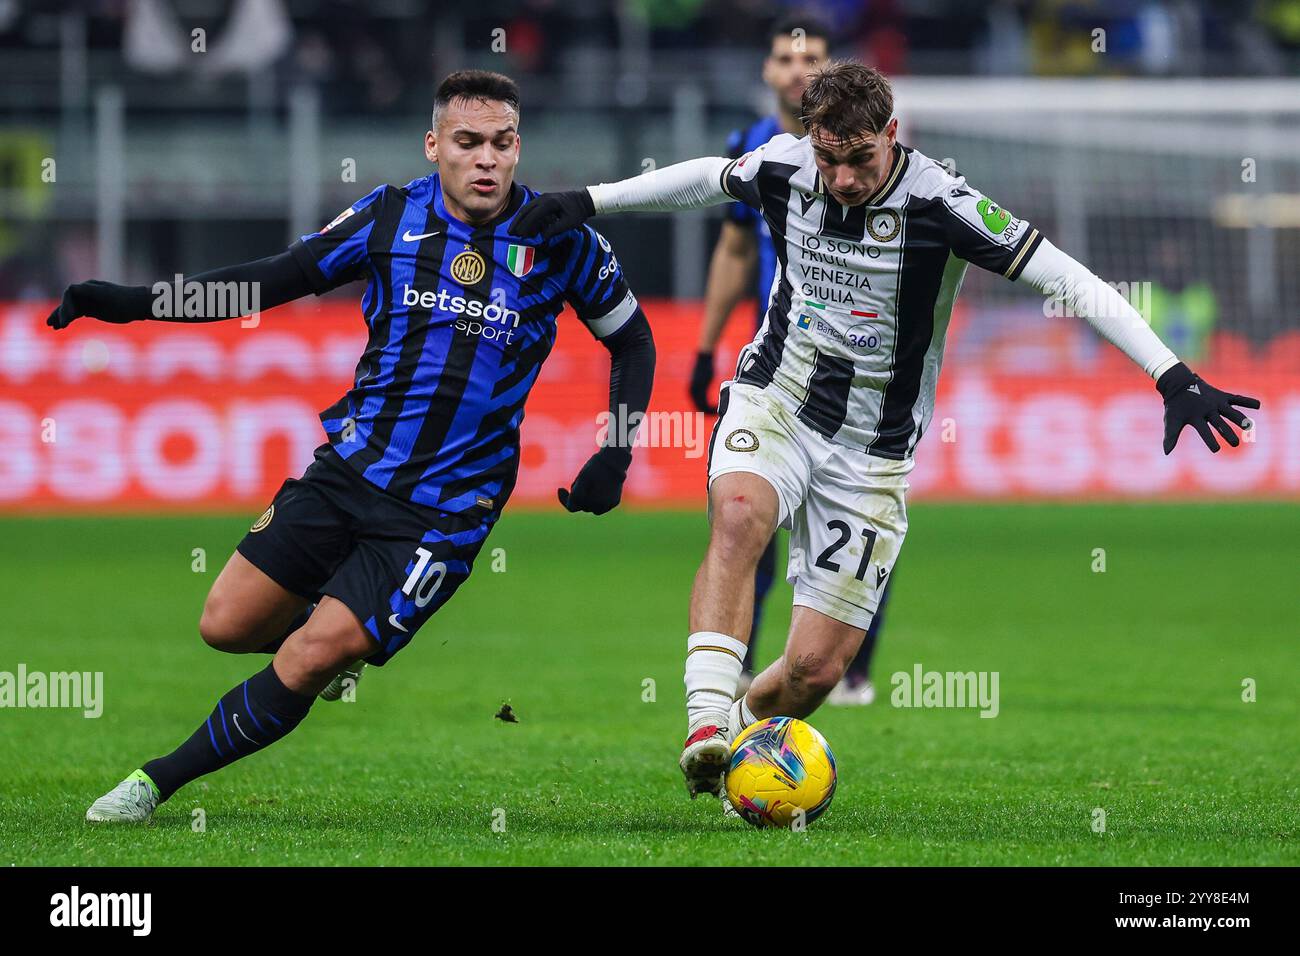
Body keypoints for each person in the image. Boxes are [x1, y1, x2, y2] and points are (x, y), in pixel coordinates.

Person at [509, 61, 1260, 802]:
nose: (840, 177)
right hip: (777, 396)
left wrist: (1172, 375)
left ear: (891, 135)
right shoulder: (785, 166)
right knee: (739, 516)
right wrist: (590, 201)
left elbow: (1066, 279)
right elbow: (710, 177)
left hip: (873, 449)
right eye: (828, 158)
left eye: (859, 158)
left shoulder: (944, 203)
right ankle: (706, 722)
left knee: (815, 672)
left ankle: (736, 737)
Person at [51, 70, 656, 823]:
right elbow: (271, 281)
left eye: (502, 143)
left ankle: (153, 783)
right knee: (226, 626)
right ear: (434, 145)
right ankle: (333, 642)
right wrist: (133, 305)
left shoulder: (561, 237)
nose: (487, 161)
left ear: (517, 147)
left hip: (444, 510)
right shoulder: (390, 215)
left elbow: (631, 338)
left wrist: (618, 449)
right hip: (349, 469)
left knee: (308, 657)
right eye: (468, 143)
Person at [691, 13, 880, 706]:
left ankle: (848, 667)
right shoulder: (753, 150)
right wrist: (707, 346)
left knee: (853, 515)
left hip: (862, 369)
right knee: (747, 519)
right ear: (769, 73)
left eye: (813, 57)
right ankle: (739, 668)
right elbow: (735, 251)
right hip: (776, 363)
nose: (798, 69)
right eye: (784, 58)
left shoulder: (869, 152)